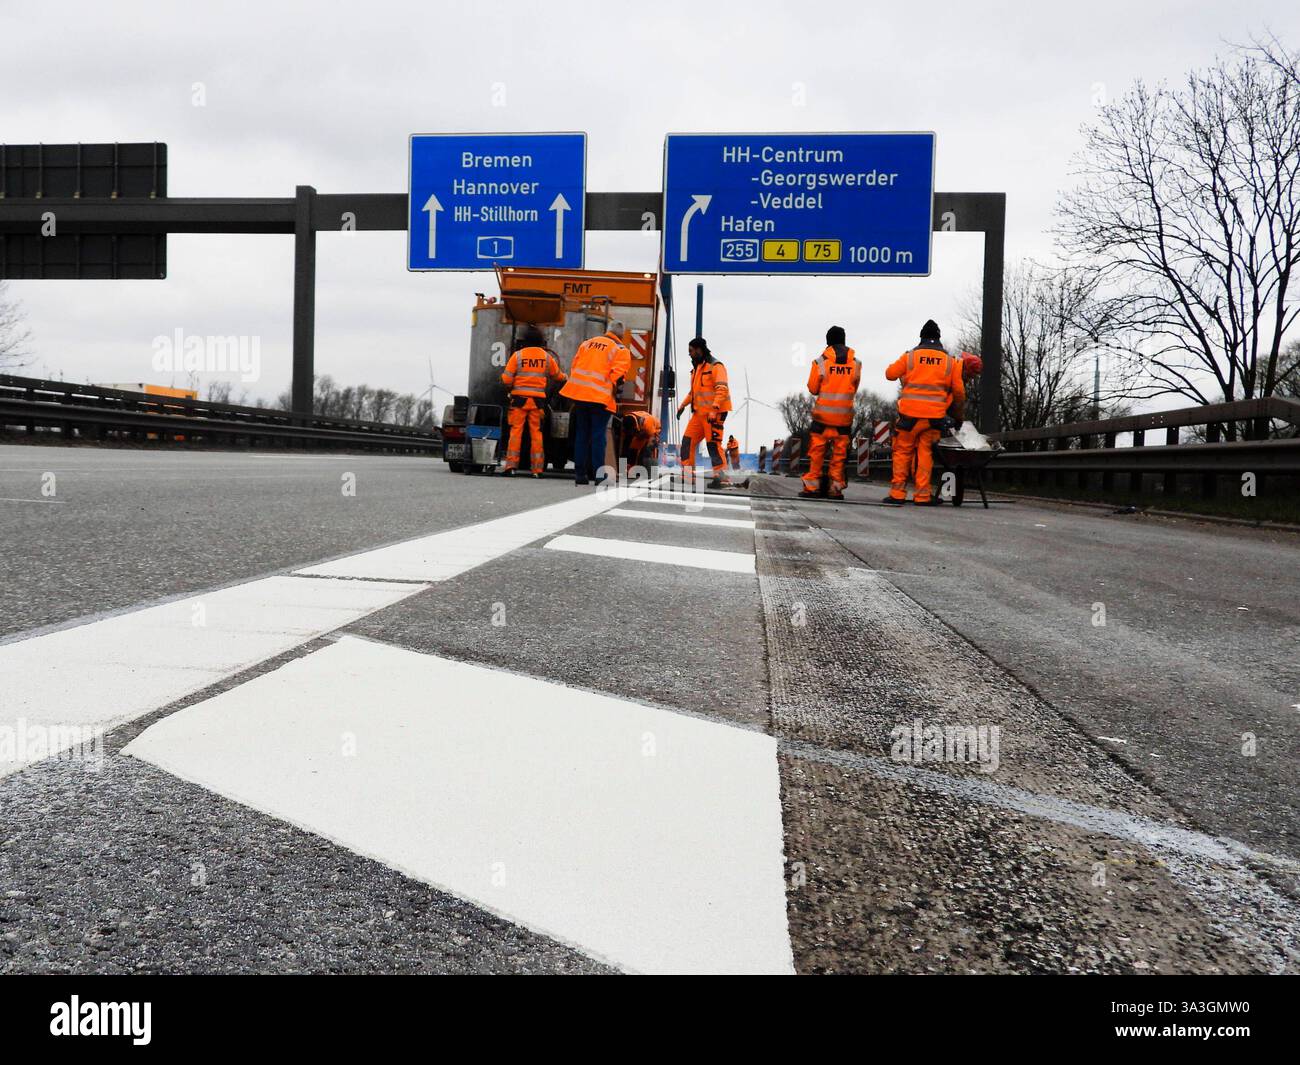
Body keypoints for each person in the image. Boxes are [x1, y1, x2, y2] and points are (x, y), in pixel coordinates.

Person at [883, 320, 965, 505]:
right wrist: (958, 415)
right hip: (933, 418)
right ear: (938, 338)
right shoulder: (951, 362)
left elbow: (889, 374)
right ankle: (922, 495)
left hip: (908, 416)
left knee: (902, 452)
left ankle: (897, 494)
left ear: (921, 337)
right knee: (925, 455)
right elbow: (959, 393)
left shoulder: (910, 356)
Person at [559, 320, 630, 485]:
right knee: (598, 435)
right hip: (600, 399)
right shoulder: (620, 350)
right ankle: (598, 475)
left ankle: (580, 475)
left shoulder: (587, 344)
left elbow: (574, 366)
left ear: (607, 331)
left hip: (579, 396)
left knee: (582, 434)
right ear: (621, 335)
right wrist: (616, 393)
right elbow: (618, 377)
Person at [800, 325, 860, 500]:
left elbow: (812, 388)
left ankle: (812, 487)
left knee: (817, 451)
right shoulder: (856, 364)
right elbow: (854, 387)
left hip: (822, 417)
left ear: (828, 342)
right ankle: (835, 488)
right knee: (839, 454)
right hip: (844, 418)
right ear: (844, 340)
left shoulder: (820, 362)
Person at [499, 325, 566, 477]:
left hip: (519, 401)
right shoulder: (546, 357)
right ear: (542, 341)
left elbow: (507, 379)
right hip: (538, 403)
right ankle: (537, 469)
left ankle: (511, 467)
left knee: (516, 432)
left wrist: (508, 383)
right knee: (536, 434)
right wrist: (566, 377)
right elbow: (557, 376)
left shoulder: (517, 356)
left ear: (524, 341)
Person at [675, 337, 731, 487]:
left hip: (713, 414)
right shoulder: (697, 369)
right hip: (699, 414)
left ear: (699, 350)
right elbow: (693, 392)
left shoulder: (716, 366)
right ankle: (688, 476)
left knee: (713, 445)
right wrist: (682, 405)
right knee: (687, 442)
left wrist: (714, 409)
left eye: (691, 351)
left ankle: (722, 478)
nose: (689, 355)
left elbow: (722, 389)